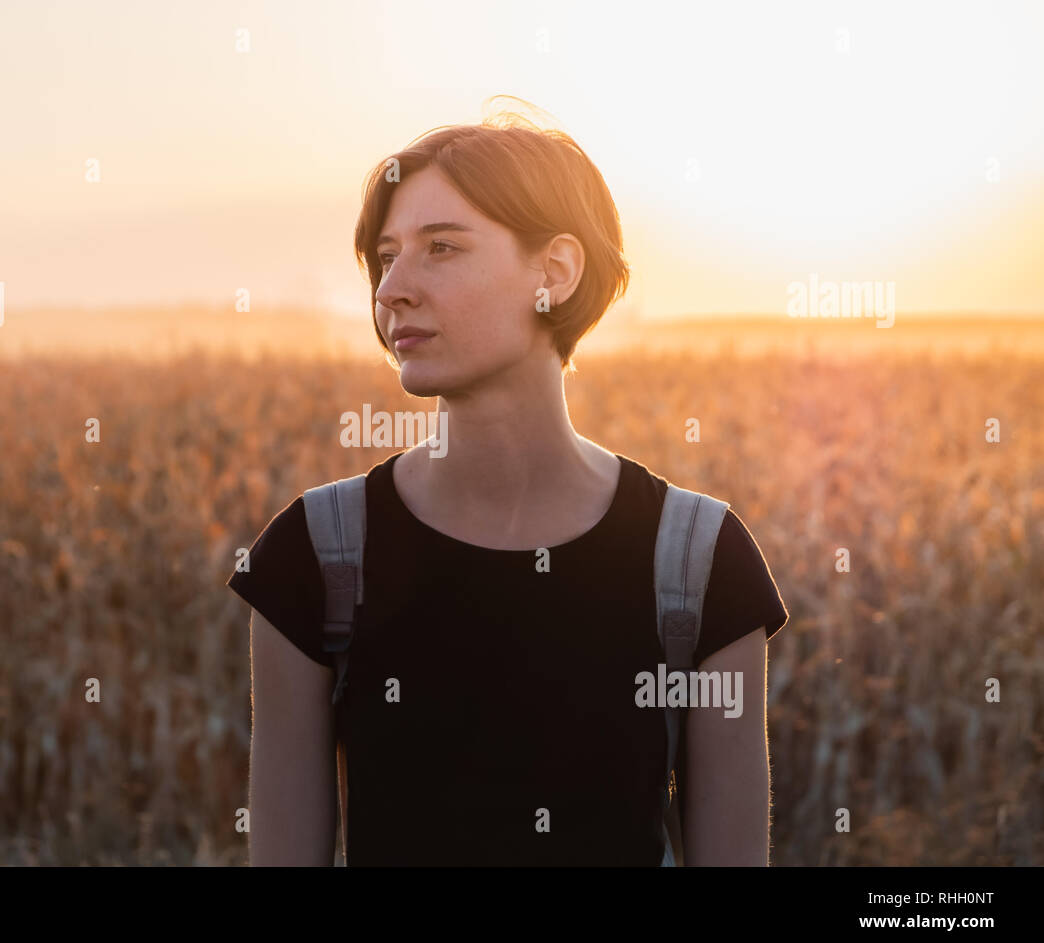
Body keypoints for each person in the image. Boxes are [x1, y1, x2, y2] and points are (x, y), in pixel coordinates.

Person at [227, 100, 788, 866]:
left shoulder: (697, 561)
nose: (393, 289)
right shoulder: (312, 558)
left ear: (553, 272)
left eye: (442, 249)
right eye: (386, 256)